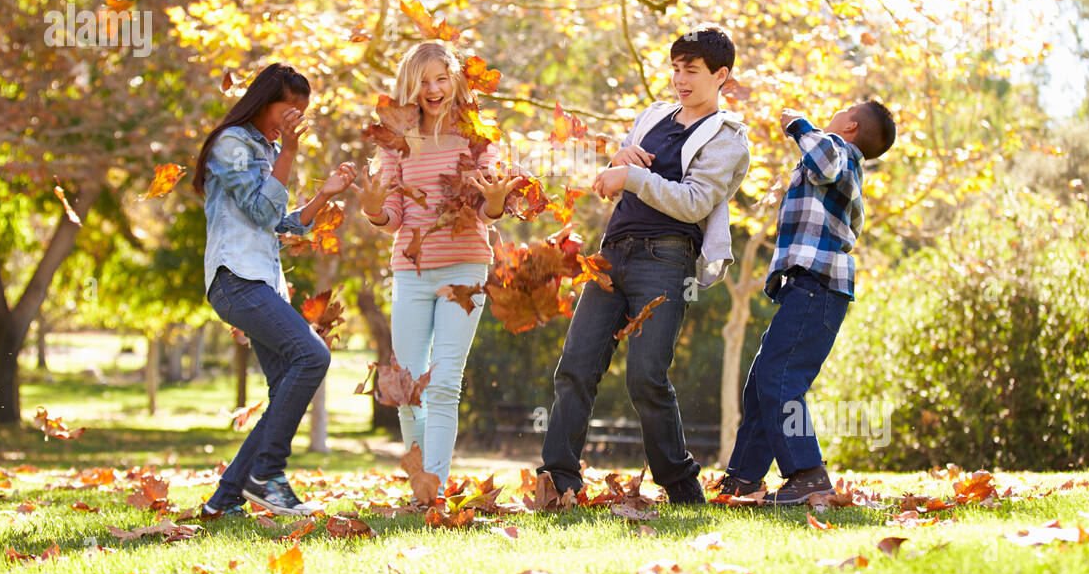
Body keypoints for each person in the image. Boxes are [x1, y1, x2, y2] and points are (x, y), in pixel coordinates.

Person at [538, 25, 752, 504]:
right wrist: (618, 161)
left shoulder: (729, 139)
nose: (680, 79)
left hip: (666, 259)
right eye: (675, 68)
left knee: (646, 376)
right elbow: (611, 182)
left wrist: (632, 175)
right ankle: (558, 480)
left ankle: (679, 484)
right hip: (613, 254)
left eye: (691, 71)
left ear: (721, 76)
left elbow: (695, 202)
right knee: (574, 367)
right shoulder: (653, 116)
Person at [194, 62, 356, 518]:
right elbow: (261, 211)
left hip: (261, 282)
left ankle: (224, 502)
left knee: (288, 379)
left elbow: (280, 224)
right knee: (313, 356)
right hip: (236, 280)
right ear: (265, 102)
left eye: (302, 113)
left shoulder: (265, 149)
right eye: (291, 110)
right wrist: (289, 152)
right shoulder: (233, 145)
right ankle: (268, 474)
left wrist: (323, 195)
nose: (295, 121)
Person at [358, 42, 523, 488]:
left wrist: (493, 203)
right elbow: (392, 218)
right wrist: (374, 209)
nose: (433, 89)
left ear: (454, 81)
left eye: (440, 78)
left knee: (445, 381)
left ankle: (433, 488)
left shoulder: (478, 137)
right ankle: (420, 487)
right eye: (423, 81)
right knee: (409, 387)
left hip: (464, 270)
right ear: (410, 87)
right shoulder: (396, 142)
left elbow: (488, 209)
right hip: (410, 275)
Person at [716, 100, 896, 505]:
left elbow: (824, 160)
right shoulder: (834, 161)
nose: (833, 113)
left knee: (781, 378)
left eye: (843, 110)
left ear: (850, 126)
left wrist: (798, 124)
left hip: (818, 287)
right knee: (764, 379)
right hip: (808, 288)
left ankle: (807, 473)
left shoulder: (840, 154)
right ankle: (743, 478)